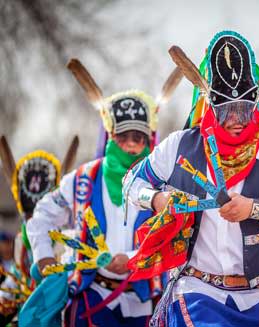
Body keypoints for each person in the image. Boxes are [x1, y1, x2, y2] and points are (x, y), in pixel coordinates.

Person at [124, 31, 259, 326]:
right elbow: (131, 182)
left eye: (244, 109)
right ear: (209, 104)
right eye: (226, 111)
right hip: (196, 293)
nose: (236, 119)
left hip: (256, 299)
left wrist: (254, 208)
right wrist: (157, 199)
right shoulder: (181, 145)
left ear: (257, 102)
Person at [27, 88, 163, 326]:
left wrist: (132, 259)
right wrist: (44, 258)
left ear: (148, 140)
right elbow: (41, 217)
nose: (131, 146)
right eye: (124, 137)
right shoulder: (83, 178)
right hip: (91, 294)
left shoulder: (161, 181)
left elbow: (173, 234)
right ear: (111, 135)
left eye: (138, 138)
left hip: (144, 298)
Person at [0, 136, 77, 325]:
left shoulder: (67, 242)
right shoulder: (20, 241)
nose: (33, 224)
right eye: (28, 216)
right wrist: (3, 298)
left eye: (39, 218)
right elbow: (16, 278)